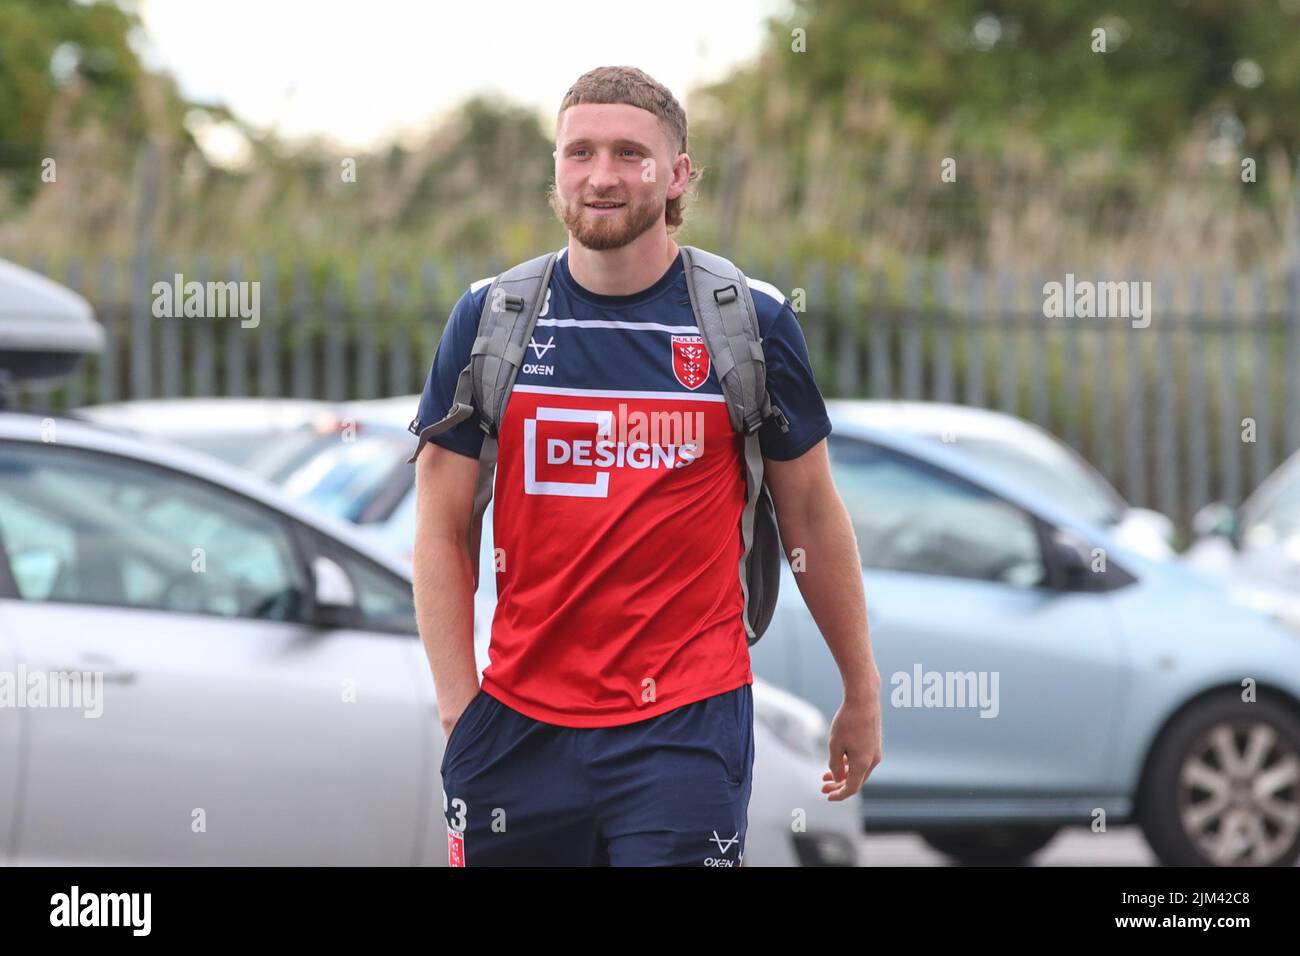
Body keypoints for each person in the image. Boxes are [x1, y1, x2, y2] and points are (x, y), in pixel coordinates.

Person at [409, 65, 881, 866]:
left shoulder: (748, 323)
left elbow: (811, 515)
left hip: (686, 728)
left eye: (631, 154)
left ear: (677, 174)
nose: (601, 176)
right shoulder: (490, 320)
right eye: (580, 152)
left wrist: (860, 689)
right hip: (518, 726)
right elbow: (442, 525)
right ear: (555, 168)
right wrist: (460, 709)